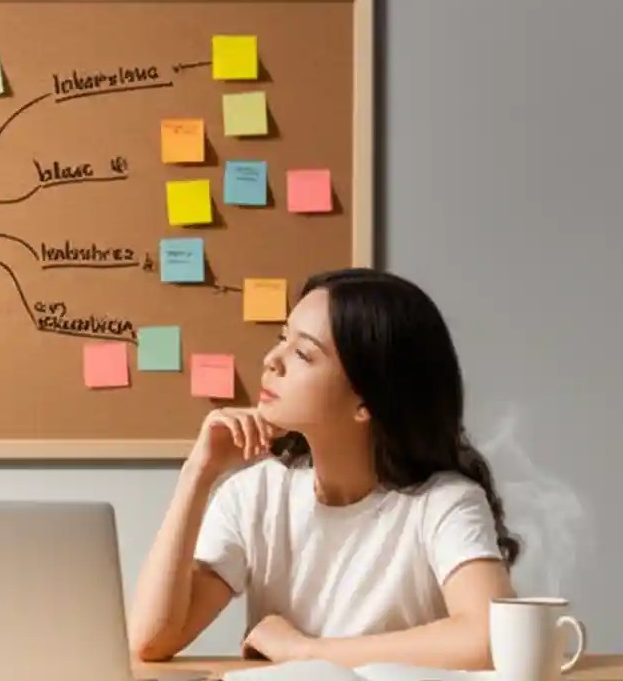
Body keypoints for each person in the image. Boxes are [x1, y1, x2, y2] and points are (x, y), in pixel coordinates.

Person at [129, 268, 519, 670]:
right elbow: (153, 640)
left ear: (366, 402)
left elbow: (492, 637)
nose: (271, 361)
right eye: (282, 339)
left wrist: (307, 652)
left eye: (302, 353)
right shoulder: (256, 495)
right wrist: (198, 474)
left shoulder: (443, 502)